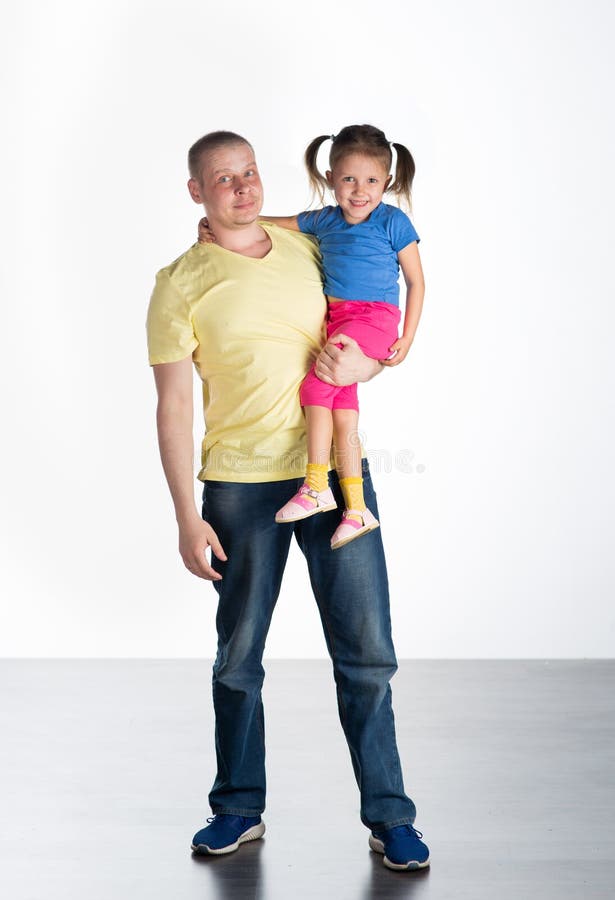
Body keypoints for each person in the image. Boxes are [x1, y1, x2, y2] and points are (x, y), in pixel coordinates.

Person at [146, 130, 430, 871]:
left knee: (367, 653)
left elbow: (372, 318)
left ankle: (390, 818)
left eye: (248, 173)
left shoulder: (314, 246)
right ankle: (237, 808)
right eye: (221, 178)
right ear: (195, 194)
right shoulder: (179, 282)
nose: (241, 187)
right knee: (238, 657)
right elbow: (173, 408)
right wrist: (185, 514)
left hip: (336, 479)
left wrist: (371, 359)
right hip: (238, 486)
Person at [199, 124, 424, 551]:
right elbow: (271, 222)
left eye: (372, 181)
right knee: (342, 408)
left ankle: (317, 484)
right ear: (330, 178)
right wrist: (216, 220)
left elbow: (417, 282)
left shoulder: (393, 221)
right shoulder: (324, 220)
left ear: (388, 182)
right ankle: (356, 509)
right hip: (340, 320)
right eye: (348, 180)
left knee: (317, 383)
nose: (360, 191)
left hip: (375, 319)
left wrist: (407, 339)